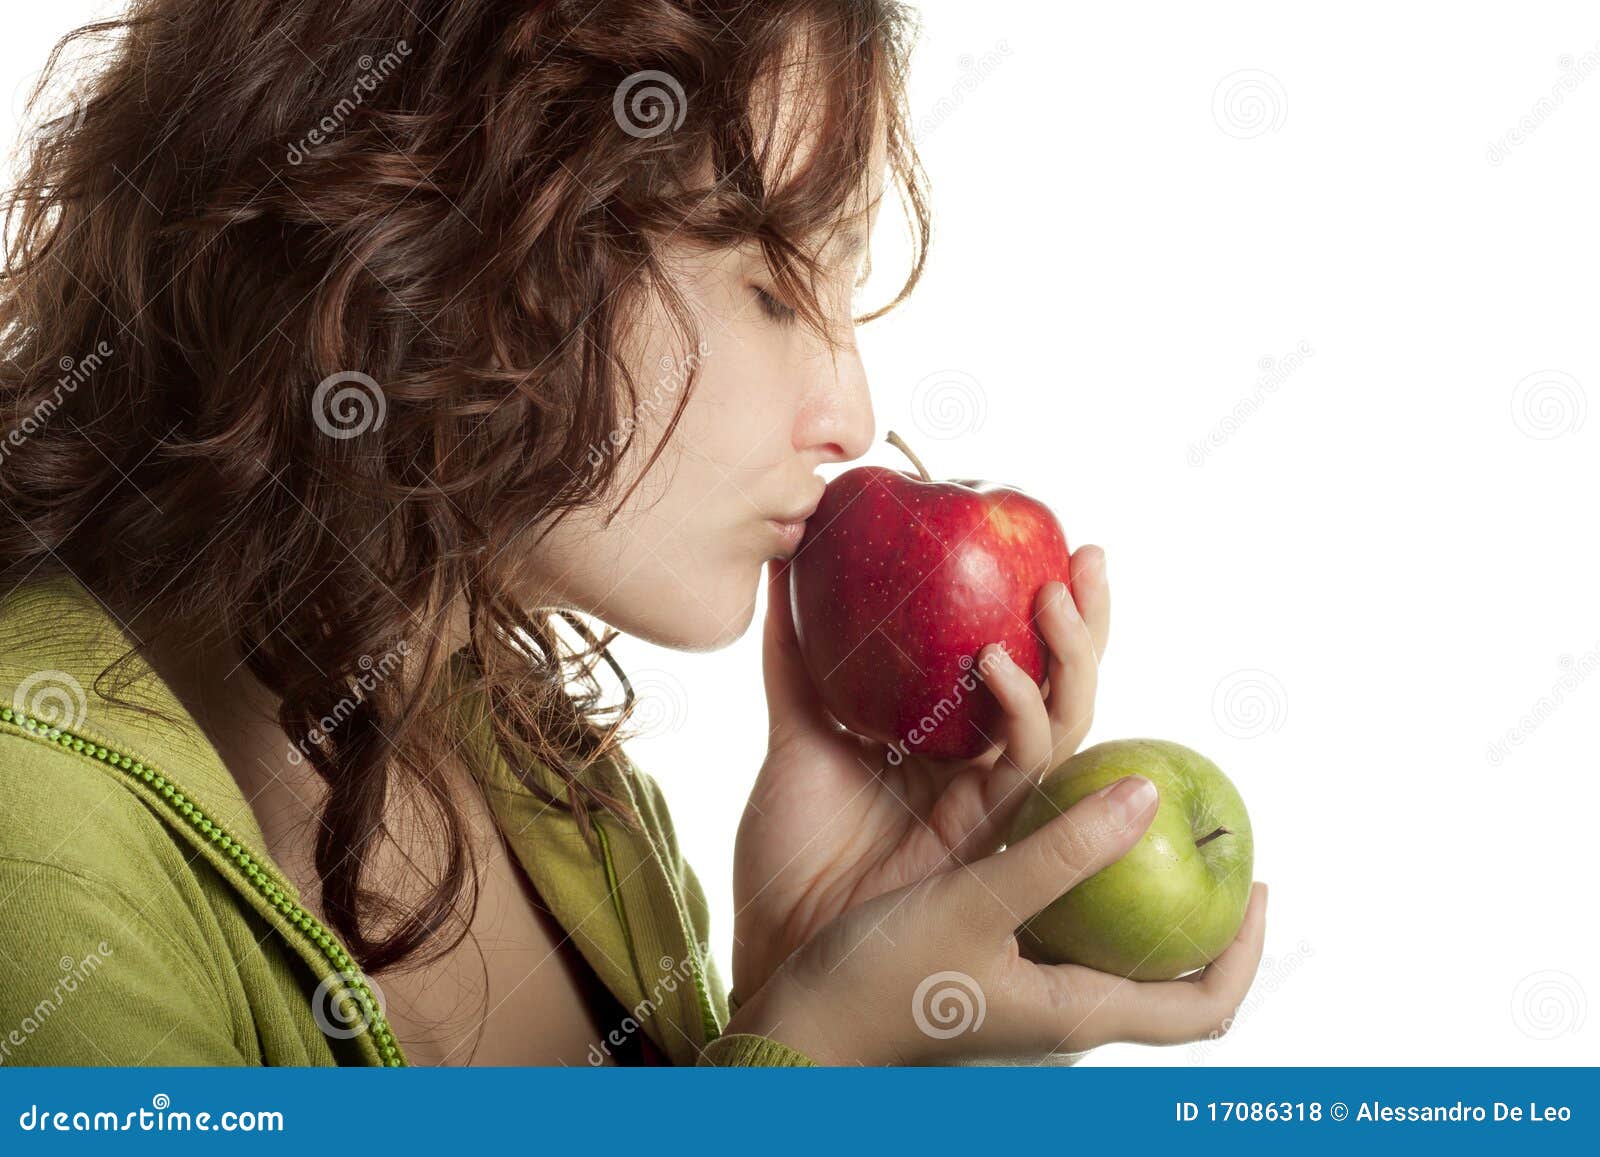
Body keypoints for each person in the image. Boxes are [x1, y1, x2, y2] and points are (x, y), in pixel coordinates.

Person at [0, 0, 1265, 1066]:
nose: (854, 416)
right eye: (772, 287)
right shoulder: (40, 850)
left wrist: (803, 973)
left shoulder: (545, 771)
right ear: (448, 231)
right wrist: (811, 1054)